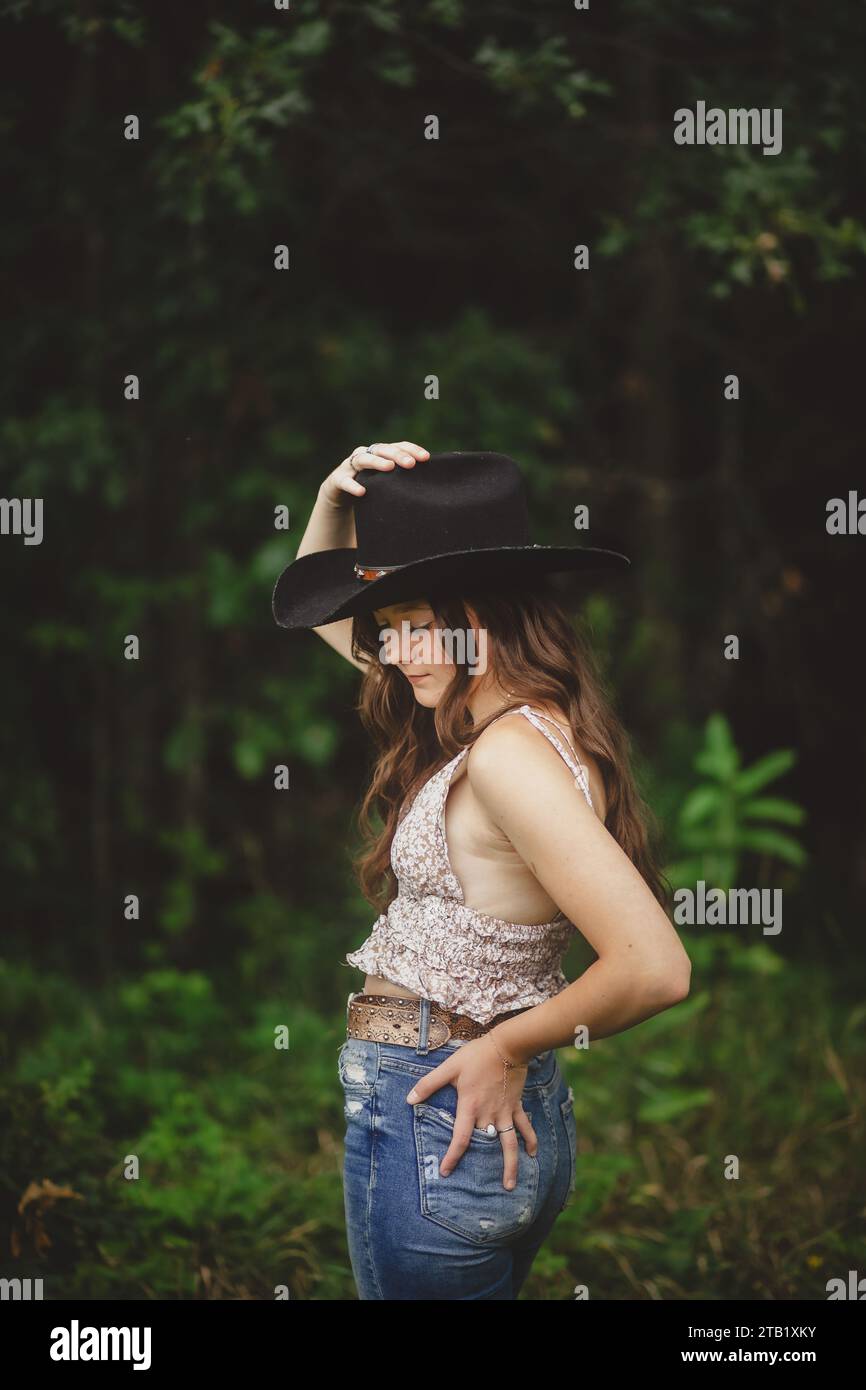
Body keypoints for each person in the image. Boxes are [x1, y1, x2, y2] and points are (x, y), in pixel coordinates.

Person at [273, 442, 691, 1300]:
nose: (396, 650)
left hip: (436, 1111)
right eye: (389, 628)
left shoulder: (507, 757)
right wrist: (334, 502)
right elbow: (324, 613)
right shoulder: (519, 717)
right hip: (483, 1116)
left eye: (419, 621)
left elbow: (655, 967)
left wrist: (504, 1043)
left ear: (487, 613)